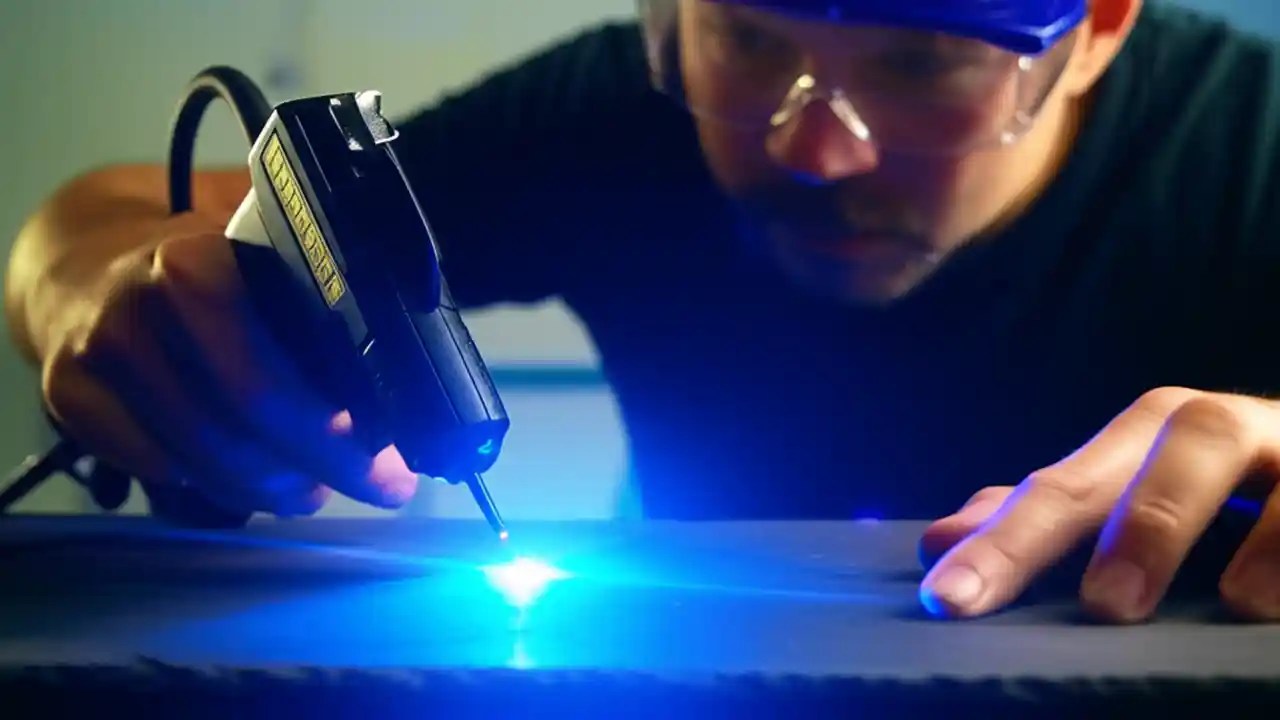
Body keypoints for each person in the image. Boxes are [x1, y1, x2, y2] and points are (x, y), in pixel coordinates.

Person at [4, 0, 1279, 623]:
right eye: (742, 45)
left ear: (1099, 28)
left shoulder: (1252, 149)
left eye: (921, 65)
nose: (813, 150)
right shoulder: (612, 115)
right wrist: (79, 285)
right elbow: (108, 212)